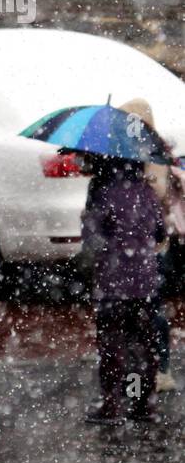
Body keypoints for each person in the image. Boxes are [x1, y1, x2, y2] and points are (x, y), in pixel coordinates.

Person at [81, 152, 164, 424]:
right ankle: (141, 406)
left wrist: (88, 220)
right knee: (142, 345)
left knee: (112, 345)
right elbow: (160, 232)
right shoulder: (147, 192)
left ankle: (111, 407)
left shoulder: (101, 192)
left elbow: (92, 241)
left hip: (113, 281)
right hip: (145, 280)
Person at [117, 99, 181, 393]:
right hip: (130, 246)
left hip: (152, 248)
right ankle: (138, 371)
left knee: (151, 311)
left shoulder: (153, 153)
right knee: (133, 312)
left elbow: (156, 191)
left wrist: (135, 177)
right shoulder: (125, 153)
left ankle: (161, 371)